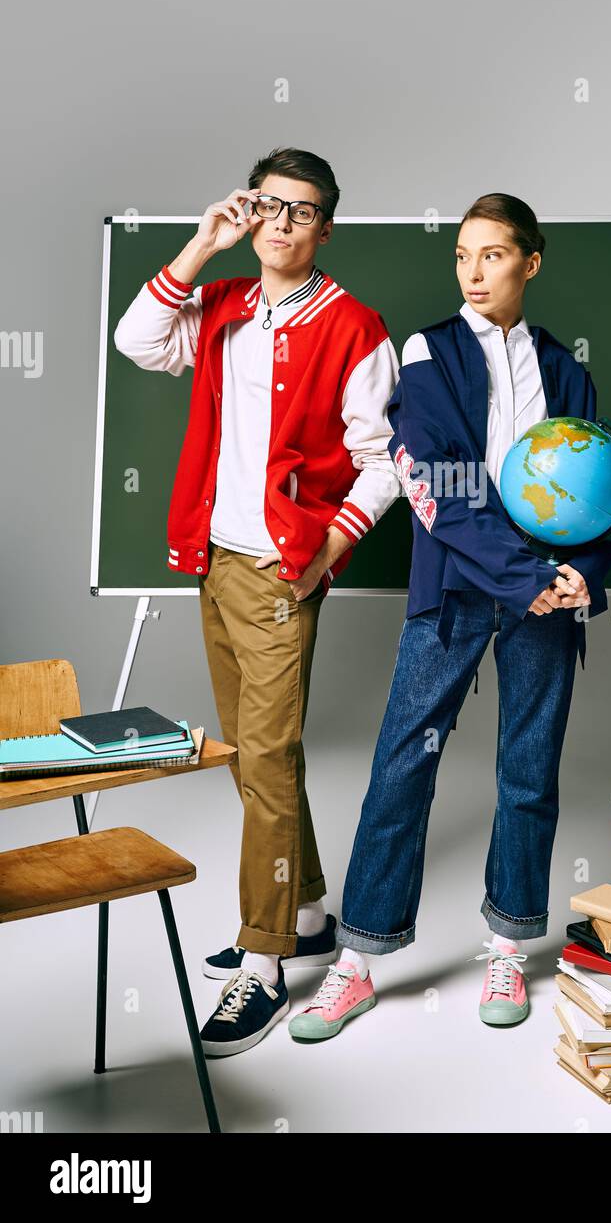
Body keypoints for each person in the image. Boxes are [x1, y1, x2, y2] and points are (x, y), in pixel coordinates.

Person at [289, 193, 611, 1041]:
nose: (474, 272)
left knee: (528, 769)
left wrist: (582, 575)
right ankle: (358, 961)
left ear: (531, 262)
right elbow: (435, 483)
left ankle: (509, 945)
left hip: (547, 592)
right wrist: (526, 578)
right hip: (460, 586)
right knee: (403, 762)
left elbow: (599, 489)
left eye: (493, 255)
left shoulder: (566, 366)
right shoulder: (428, 350)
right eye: (463, 257)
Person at [114, 146, 400, 1056]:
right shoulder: (225, 301)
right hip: (214, 559)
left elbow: (384, 458)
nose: (281, 223)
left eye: (302, 211)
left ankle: (265, 962)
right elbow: (137, 343)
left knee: (269, 757)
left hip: (285, 572)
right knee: (253, 754)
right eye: (267, 207)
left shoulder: (356, 325)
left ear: (326, 227)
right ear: (249, 211)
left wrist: (332, 547)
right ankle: (307, 909)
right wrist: (200, 246)